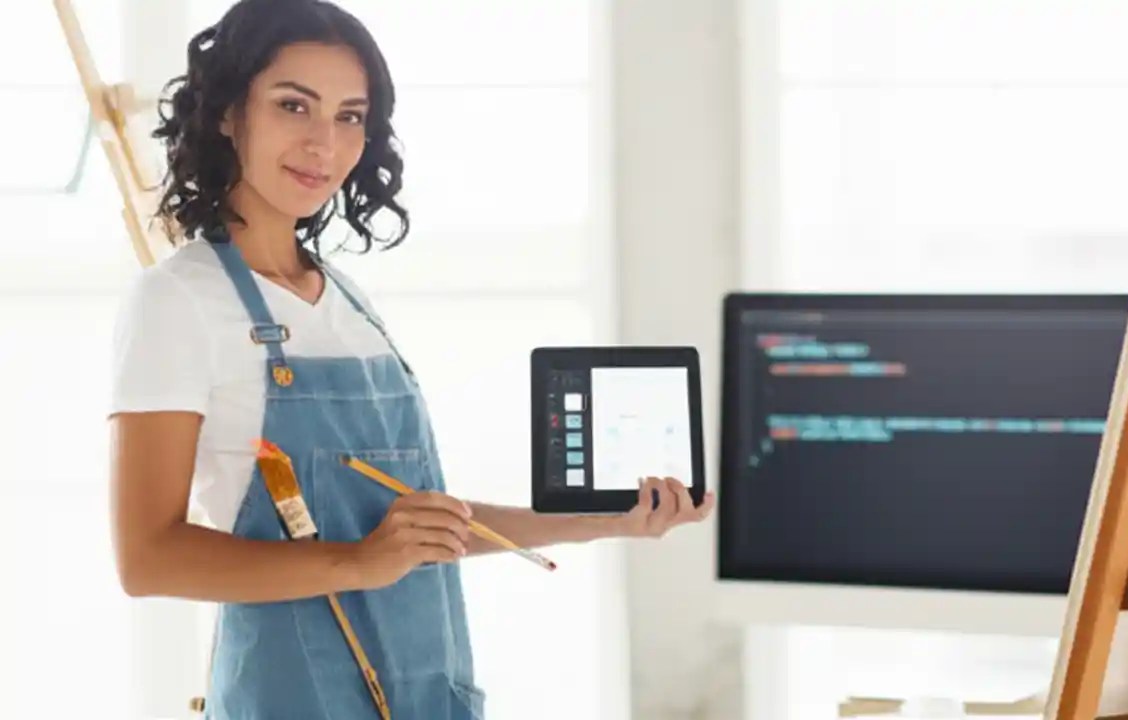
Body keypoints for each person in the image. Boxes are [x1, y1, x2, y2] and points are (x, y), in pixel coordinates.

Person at [107, 1, 715, 717]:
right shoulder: (176, 300)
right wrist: (363, 562)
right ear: (226, 113)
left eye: (350, 115)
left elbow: (420, 531)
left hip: (426, 694)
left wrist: (606, 520)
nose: (323, 143)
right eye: (293, 105)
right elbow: (148, 559)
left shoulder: (348, 301)